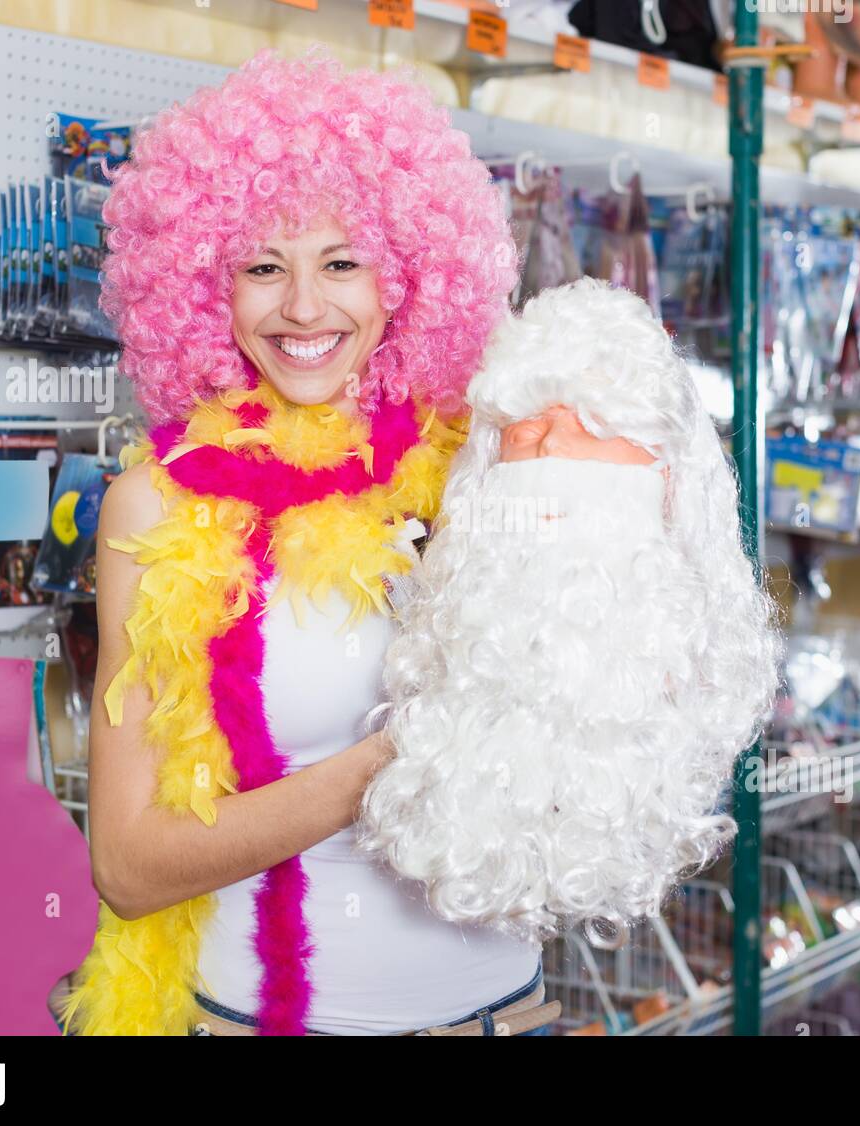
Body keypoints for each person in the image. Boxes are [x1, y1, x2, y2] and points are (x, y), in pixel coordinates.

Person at [51, 46, 556, 1037]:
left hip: (505, 1016)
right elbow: (130, 863)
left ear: (406, 275)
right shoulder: (155, 507)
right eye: (262, 268)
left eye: (341, 262)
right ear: (205, 285)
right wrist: (384, 763)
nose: (304, 308)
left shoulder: (481, 469)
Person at [359, 278, 782, 947]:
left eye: (595, 422)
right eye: (527, 423)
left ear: (668, 476)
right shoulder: (396, 574)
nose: (553, 446)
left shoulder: (675, 677)